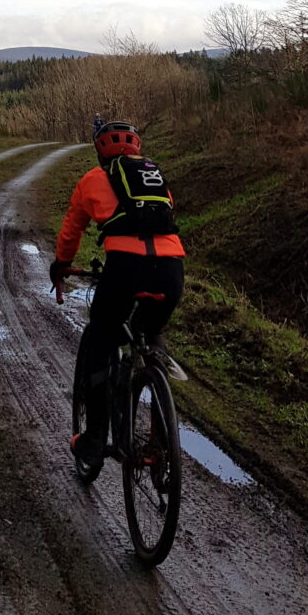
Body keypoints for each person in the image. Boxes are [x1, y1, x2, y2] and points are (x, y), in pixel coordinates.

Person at [50, 120, 185, 473]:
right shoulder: (155, 177)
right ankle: (159, 439)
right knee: (151, 332)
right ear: (137, 149)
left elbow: (71, 232)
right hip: (172, 271)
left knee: (100, 338)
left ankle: (94, 439)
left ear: (99, 151)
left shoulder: (92, 180)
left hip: (125, 269)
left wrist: (62, 265)